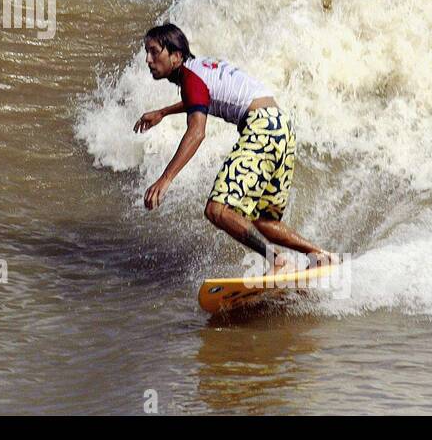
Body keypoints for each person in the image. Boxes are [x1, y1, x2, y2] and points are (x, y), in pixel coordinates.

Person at [134, 23, 332, 273]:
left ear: (175, 56)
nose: (148, 60)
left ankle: (279, 261)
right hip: (281, 127)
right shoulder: (198, 69)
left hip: (261, 128)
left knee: (217, 209)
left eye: (154, 52)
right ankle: (321, 256)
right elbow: (201, 98)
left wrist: (165, 179)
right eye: (147, 52)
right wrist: (163, 112)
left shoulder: (190, 78)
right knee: (263, 220)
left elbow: (197, 132)